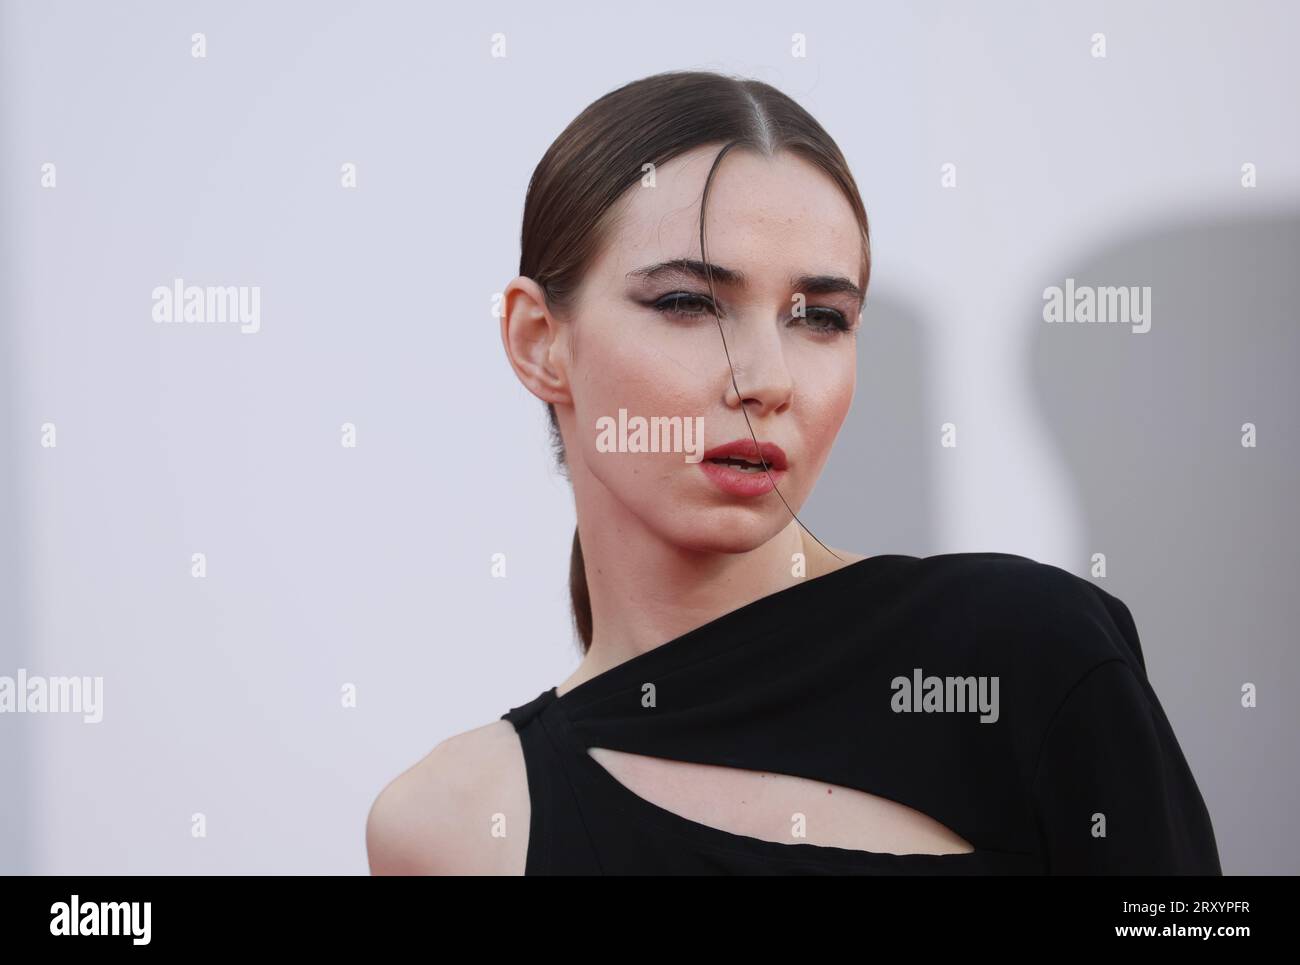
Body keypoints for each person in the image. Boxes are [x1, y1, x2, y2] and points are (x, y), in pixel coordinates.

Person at [365, 69, 1222, 875]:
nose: (767, 378)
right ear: (537, 340)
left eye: (820, 316)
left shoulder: (1023, 650)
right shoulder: (455, 822)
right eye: (688, 303)